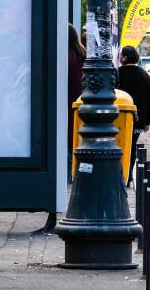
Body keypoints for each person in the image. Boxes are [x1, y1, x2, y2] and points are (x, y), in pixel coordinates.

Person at [116, 45, 150, 187]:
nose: (119, 58)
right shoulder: (144, 74)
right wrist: (147, 122)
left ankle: (120, 174)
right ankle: (129, 174)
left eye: (121, 55)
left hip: (119, 118)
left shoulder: (118, 73)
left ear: (125, 57)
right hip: (138, 119)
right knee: (131, 146)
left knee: (118, 145)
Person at [67, 23, 86, 181]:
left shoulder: (66, 58)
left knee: (67, 144)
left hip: (68, 105)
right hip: (82, 105)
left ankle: (68, 176)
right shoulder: (83, 54)